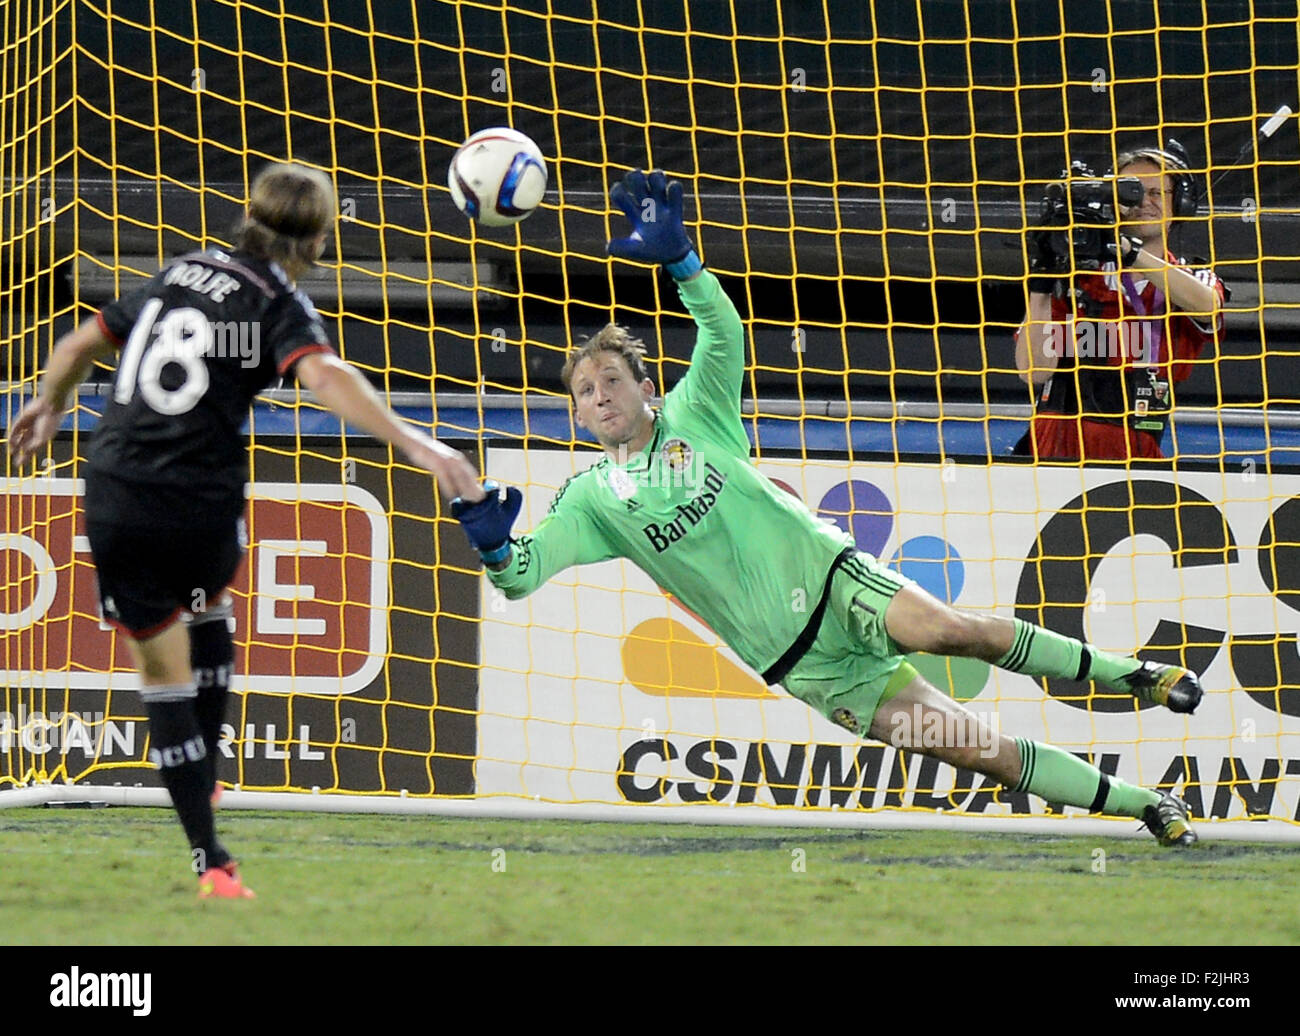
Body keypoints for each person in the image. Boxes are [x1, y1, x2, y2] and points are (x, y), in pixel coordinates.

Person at [453, 168, 1204, 846]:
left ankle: (1133, 673)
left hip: (835, 579)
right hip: (806, 665)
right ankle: (1147, 805)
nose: (601, 395)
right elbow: (520, 577)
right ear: (578, 419)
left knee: (952, 630)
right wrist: (492, 545)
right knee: (980, 751)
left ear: (646, 388)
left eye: (612, 379)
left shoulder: (698, 410)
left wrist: (683, 262)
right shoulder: (589, 501)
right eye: (585, 392)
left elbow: (723, 330)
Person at [7, 162, 484, 897]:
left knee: (165, 669)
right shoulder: (277, 301)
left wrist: (46, 406)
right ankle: (212, 845)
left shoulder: (181, 272)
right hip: (197, 499)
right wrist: (421, 445)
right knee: (205, 615)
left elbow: (73, 347)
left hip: (114, 489)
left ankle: (209, 841)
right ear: (320, 240)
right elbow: (323, 378)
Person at [1014, 144, 1228, 461]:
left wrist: (1128, 252)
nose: (1144, 202)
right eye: (1131, 193)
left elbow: (1207, 305)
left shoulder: (1193, 280)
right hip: (1049, 449)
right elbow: (1033, 372)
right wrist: (1042, 282)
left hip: (1135, 454)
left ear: (1179, 204)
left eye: (1157, 193)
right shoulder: (1075, 279)